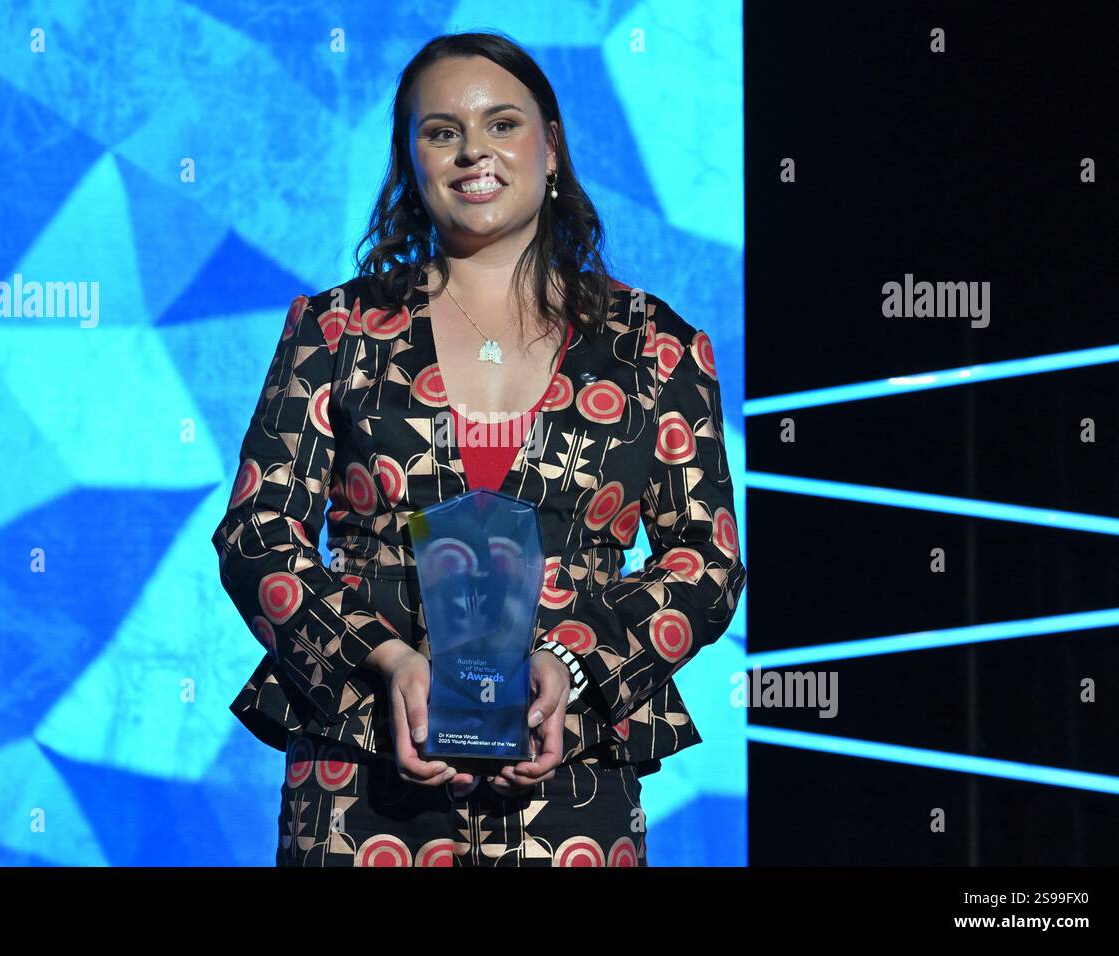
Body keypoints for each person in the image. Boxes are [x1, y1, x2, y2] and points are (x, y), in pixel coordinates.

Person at [210, 31, 746, 867]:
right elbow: (258, 535)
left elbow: (705, 560)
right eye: (441, 131)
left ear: (551, 145)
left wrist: (570, 664)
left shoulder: (658, 346)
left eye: (501, 123)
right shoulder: (335, 331)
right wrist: (383, 662)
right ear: (411, 160)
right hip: (362, 785)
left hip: (572, 790)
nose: (473, 152)